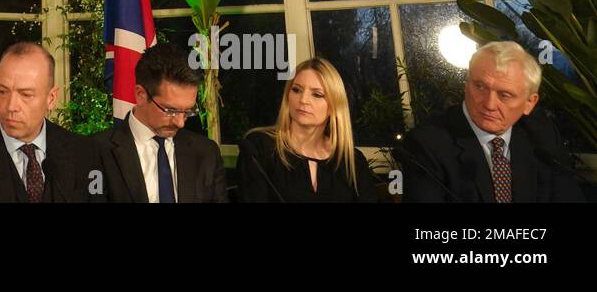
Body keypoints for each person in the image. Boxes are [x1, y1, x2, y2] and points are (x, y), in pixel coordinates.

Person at [396, 40, 585, 203]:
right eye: (480, 87)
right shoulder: (427, 144)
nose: (489, 104)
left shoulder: (542, 136)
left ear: (529, 103)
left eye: (505, 95)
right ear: (466, 85)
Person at [0, 41, 100, 203]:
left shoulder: (85, 153)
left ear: (51, 99)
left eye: (25, 95)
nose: (11, 106)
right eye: (2, 92)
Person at [94, 43, 227, 203]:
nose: (180, 123)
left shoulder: (206, 153)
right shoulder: (97, 152)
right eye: (170, 110)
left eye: (187, 111)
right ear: (141, 95)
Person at [237, 57, 375, 203]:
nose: (303, 100)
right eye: (296, 90)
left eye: (317, 94)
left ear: (334, 106)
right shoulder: (259, 148)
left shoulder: (352, 160)